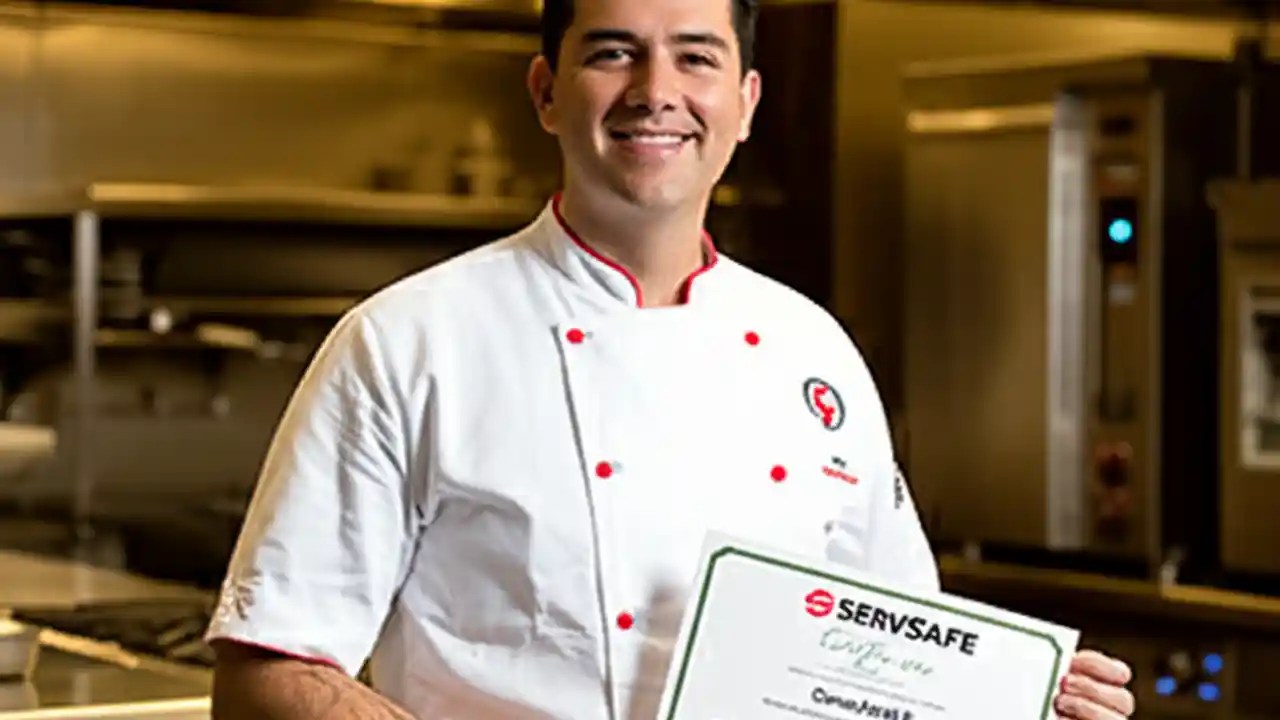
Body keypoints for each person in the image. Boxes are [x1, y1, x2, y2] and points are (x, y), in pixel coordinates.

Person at [205, 0, 1137, 717]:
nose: (657, 90)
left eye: (696, 56)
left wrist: (1015, 695)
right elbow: (269, 673)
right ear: (544, 92)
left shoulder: (812, 350)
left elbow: (898, 661)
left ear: (745, 103)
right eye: (613, 51)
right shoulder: (407, 343)